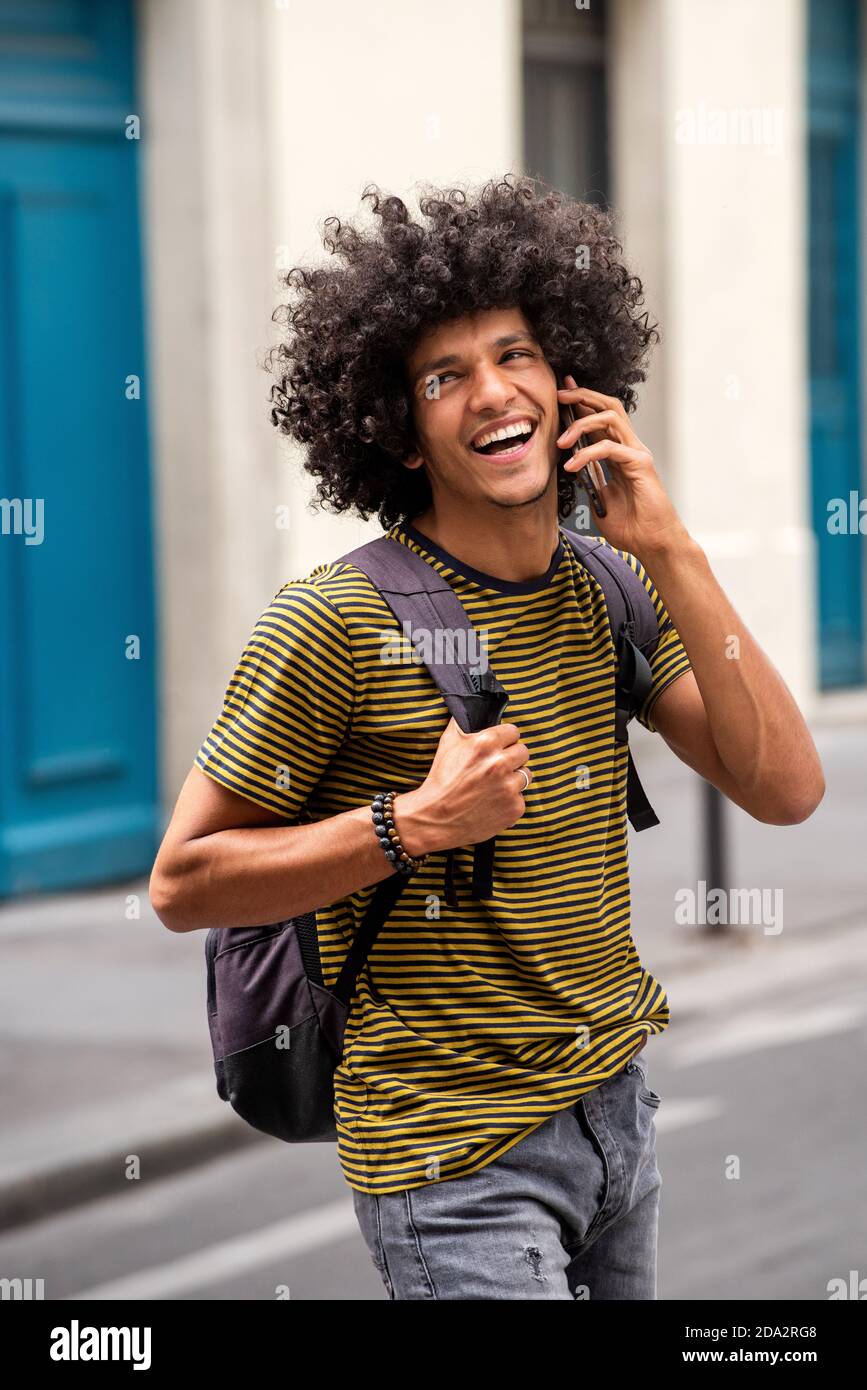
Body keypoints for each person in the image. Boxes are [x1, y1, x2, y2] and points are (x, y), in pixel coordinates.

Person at [149, 175, 825, 1300]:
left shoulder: (611, 584)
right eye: (444, 377)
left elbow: (785, 787)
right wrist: (408, 824)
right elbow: (182, 882)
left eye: (515, 355)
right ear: (402, 433)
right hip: (450, 1160)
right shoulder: (333, 622)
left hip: (617, 1120)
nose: (492, 393)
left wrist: (674, 552)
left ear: (568, 381)